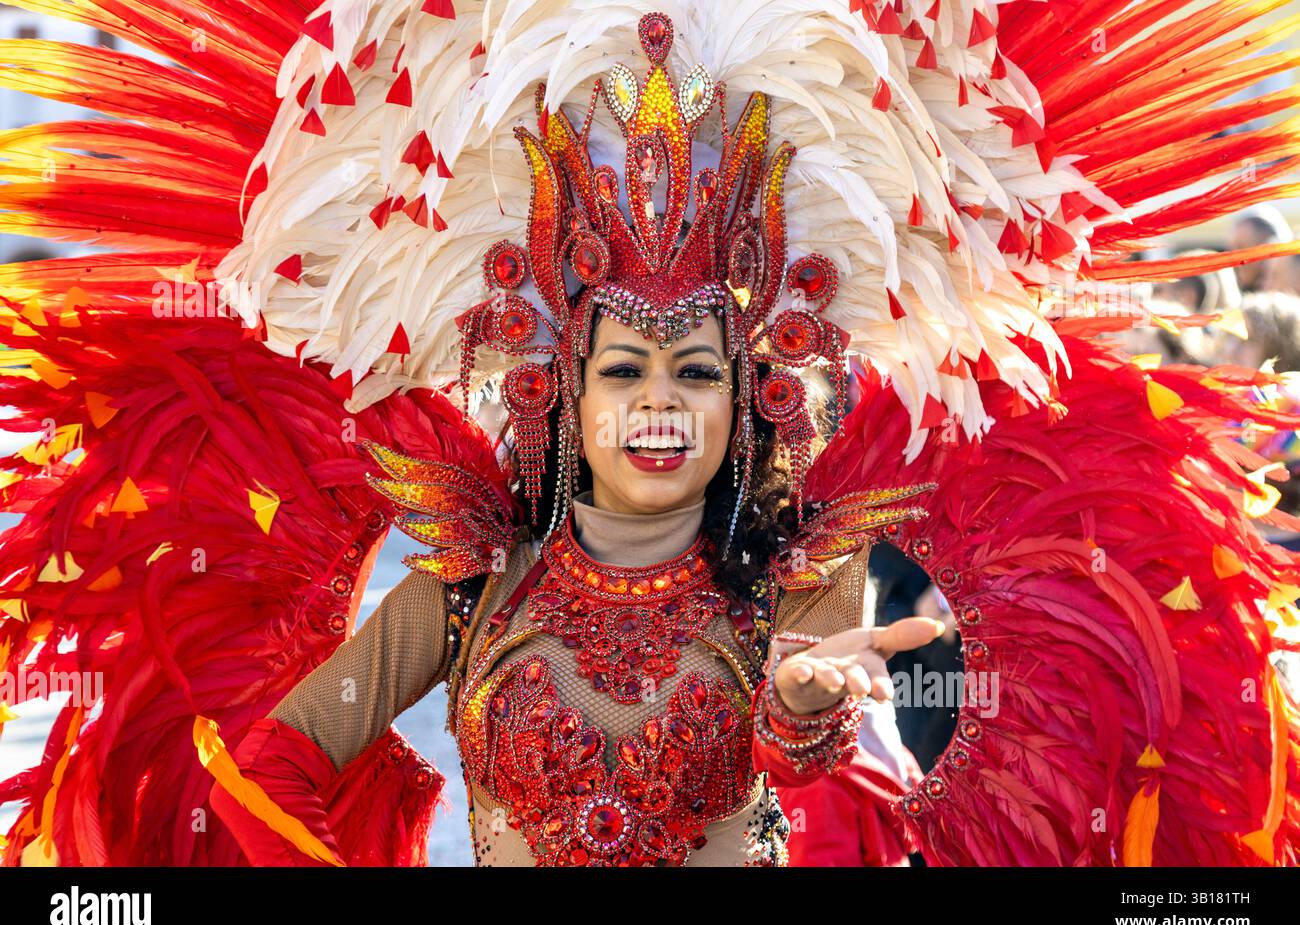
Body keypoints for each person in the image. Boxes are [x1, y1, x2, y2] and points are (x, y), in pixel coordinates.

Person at [2, 1, 1299, 869]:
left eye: (698, 366)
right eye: (625, 367)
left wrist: (820, 715)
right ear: (562, 392)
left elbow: (878, 779)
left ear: (753, 395)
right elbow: (276, 757)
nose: (662, 401)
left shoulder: (801, 582)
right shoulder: (469, 592)